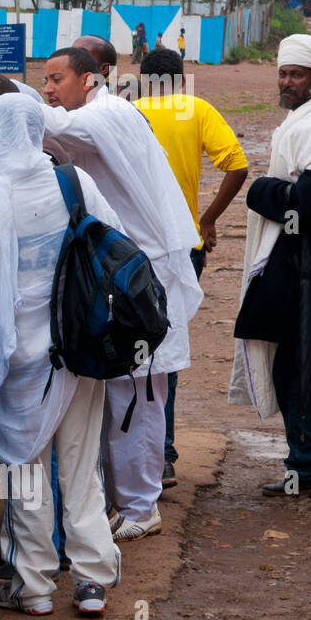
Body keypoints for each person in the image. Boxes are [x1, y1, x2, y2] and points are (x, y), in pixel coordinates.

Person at [0, 92, 122, 616]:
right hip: (79, 352)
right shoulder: (74, 182)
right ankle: (92, 582)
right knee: (79, 467)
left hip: (18, 362)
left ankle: (34, 587)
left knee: (25, 473)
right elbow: (114, 244)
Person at [42, 46, 203, 542]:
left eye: (56, 79)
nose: (48, 89)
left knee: (138, 398)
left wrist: (5, 101)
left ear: (89, 80)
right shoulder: (100, 113)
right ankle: (125, 501)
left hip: (139, 279)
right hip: (128, 275)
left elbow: (51, 128)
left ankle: (140, 507)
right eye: (43, 81)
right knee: (123, 395)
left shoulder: (104, 116)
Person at [231, 34, 311, 497]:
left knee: (298, 369)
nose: (287, 81)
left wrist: (261, 191)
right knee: (307, 364)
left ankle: (310, 465)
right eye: (283, 72)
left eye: (297, 75)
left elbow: (310, 204)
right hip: (310, 269)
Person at [137, 48, 248, 488]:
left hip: (130, 250)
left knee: (128, 350)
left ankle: (126, 458)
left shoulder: (125, 112)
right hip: (183, 248)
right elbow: (237, 165)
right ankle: (163, 455)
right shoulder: (196, 109)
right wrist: (208, 218)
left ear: (143, 80)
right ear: (182, 80)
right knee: (168, 347)